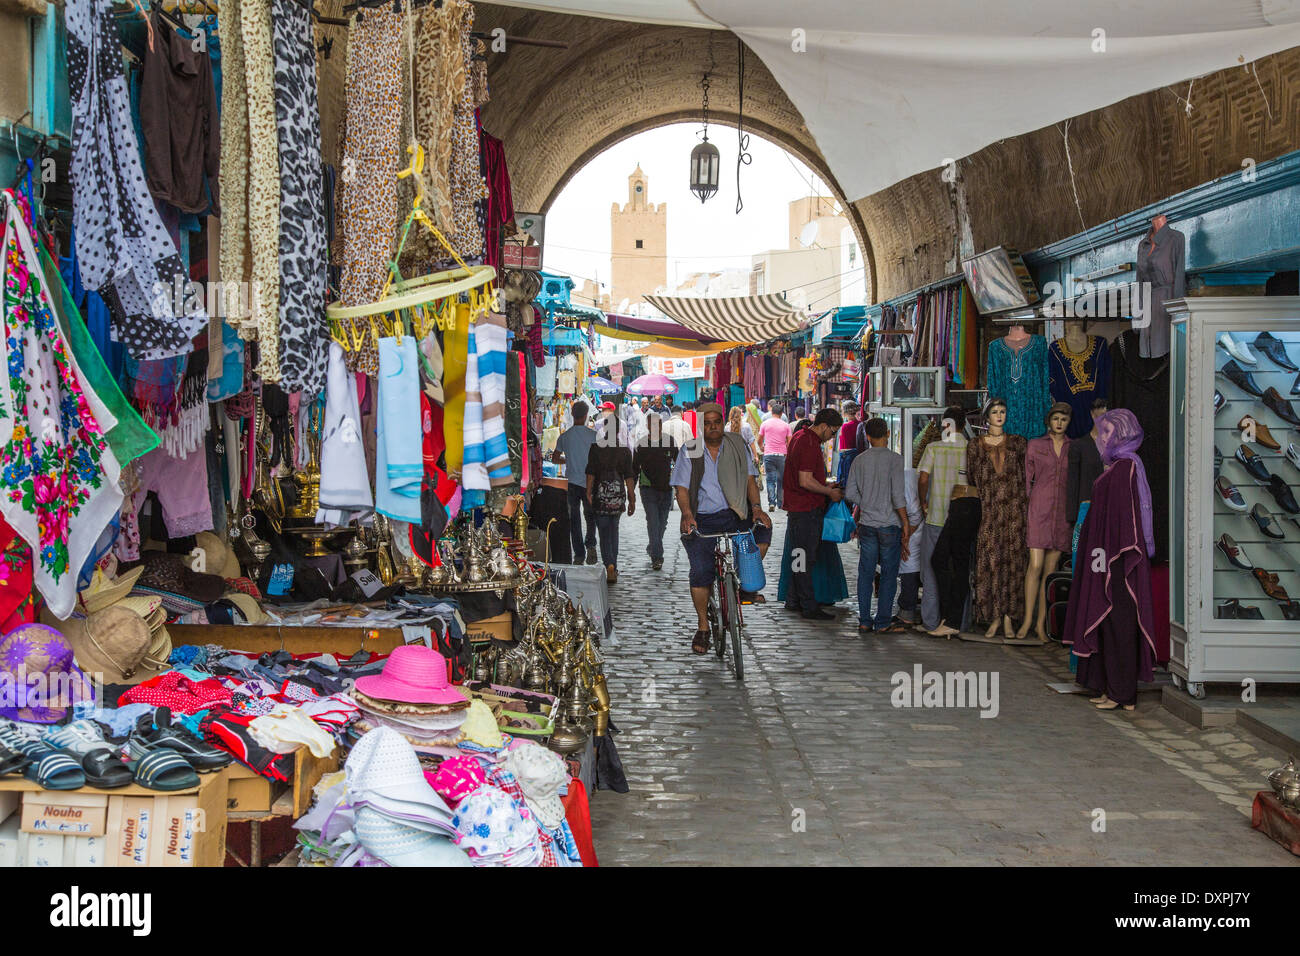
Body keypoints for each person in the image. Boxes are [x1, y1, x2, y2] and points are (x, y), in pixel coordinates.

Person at [1064, 409, 1156, 711]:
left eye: (1107, 432)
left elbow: (1125, 524)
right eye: (1102, 432)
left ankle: (1123, 694)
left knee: (1120, 624)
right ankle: (1110, 689)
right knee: (1107, 623)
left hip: (1118, 562)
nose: (1102, 438)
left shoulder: (1125, 467)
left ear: (1122, 434)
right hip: (1107, 559)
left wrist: (1108, 560)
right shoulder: (1117, 467)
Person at [673, 402, 773, 654]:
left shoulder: (737, 444)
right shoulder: (691, 449)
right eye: (707, 423)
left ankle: (740, 586)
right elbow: (681, 488)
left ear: (722, 422)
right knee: (701, 571)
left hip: (736, 513)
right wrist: (687, 514)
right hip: (702, 516)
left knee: (762, 532)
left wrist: (757, 508)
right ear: (701, 425)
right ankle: (703, 626)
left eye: (717, 421)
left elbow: (750, 479)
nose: (713, 426)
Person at [845, 417, 910, 634]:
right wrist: (906, 523)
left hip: (867, 525)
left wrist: (867, 503)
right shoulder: (895, 460)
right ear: (888, 434)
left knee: (866, 572)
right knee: (889, 574)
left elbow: (850, 493)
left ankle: (864, 620)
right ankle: (882, 622)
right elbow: (898, 496)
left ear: (868, 437)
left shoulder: (859, 460)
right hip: (890, 525)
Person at [781, 407, 843, 620]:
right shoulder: (809, 443)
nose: (832, 437)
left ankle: (794, 599)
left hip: (800, 507)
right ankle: (808, 605)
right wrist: (829, 491)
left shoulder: (801, 435)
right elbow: (805, 480)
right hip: (805, 509)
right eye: (833, 432)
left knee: (799, 556)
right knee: (804, 558)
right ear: (824, 426)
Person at [917, 406, 969, 634]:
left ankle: (930, 620)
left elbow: (923, 478)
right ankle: (961, 621)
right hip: (962, 517)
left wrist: (923, 503)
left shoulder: (934, 448)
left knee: (931, 568)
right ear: (964, 423)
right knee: (961, 569)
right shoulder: (971, 449)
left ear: (945, 424)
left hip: (937, 516)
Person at [586, 410, 637, 584]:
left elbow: (590, 473)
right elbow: (629, 477)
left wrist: (588, 492)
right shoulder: (623, 451)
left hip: (600, 496)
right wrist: (632, 498)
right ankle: (613, 564)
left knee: (603, 532)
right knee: (614, 531)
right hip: (617, 498)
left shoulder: (595, 448)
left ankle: (608, 563)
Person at [551, 400, 598, 565]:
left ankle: (579, 554)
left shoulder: (565, 436)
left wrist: (568, 459)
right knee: (591, 516)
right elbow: (600, 460)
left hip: (572, 483)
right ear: (586, 416)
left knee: (574, 520)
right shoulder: (593, 436)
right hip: (590, 483)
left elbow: (555, 458)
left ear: (572, 415)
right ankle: (591, 545)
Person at [634, 411, 678, 570]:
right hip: (647, 489)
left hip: (666, 488)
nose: (655, 427)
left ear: (661, 425)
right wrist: (630, 493)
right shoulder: (641, 444)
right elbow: (634, 468)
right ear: (647, 426)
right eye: (651, 424)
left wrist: (680, 487)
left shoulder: (669, 441)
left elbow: (679, 463)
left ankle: (653, 545)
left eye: (657, 424)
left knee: (662, 523)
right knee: (653, 522)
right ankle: (657, 557)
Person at [757, 401, 791, 510]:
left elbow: (759, 440)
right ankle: (780, 503)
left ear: (771, 412)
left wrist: (762, 447)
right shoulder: (786, 425)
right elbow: (790, 441)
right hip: (781, 455)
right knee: (781, 480)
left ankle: (771, 503)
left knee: (770, 480)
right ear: (782, 414)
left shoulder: (765, 424)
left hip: (768, 455)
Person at [726, 405, 761, 472]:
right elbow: (751, 443)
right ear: (740, 415)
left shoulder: (727, 427)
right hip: (745, 455)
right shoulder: (746, 426)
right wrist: (755, 456)